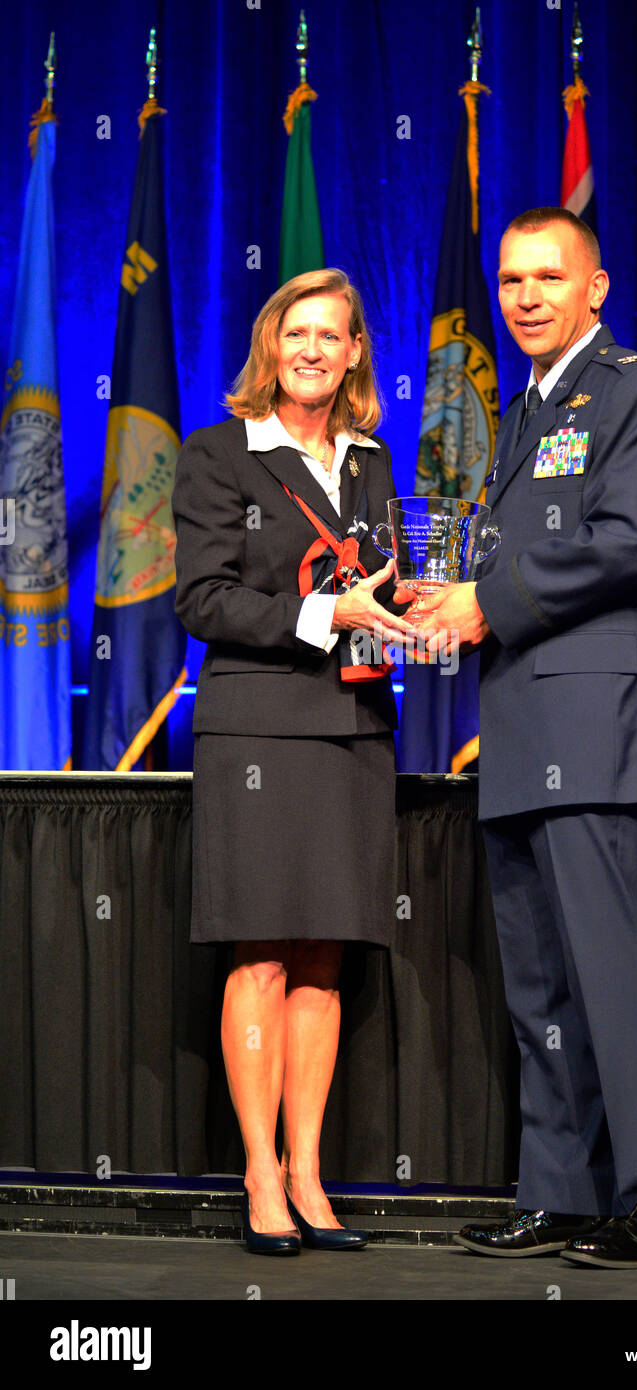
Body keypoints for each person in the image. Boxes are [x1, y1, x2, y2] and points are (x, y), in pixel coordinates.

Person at [409, 208, 637, 1268]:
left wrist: (483, 605)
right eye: (510, 279)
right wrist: (448, 596)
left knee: (608, 969)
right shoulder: (526, 408)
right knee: (540, 980)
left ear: (598, 287)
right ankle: (563, 1191)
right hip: (519, 726)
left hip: (597, 727)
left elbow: (629, 544)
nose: (525, 296)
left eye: (549, 276)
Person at [171, 268, 415, 1255]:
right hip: (259, 731)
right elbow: (202, 600)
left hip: (355, 730)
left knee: (325, 954)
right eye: (296, 332)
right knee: (262, 949)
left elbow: (389, 579)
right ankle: (259, 1174)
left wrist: (412, 622)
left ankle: (309, 1170)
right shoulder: (221, 453)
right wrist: (329, 614)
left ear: (355, 353)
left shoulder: (371, 460)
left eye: (333, 335)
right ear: (270, 348)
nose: (314, 349)